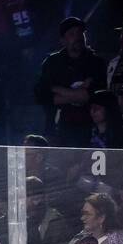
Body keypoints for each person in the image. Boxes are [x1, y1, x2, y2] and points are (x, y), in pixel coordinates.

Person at [34, 16, 107, 149]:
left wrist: (56, 89)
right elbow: (41, 96)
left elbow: (92, 96)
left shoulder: (96, 63)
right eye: (72, 34)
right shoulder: (52, 63)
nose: (78, 37)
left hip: (89, 130)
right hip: (57, 130)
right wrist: (77, 95)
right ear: (62, 40)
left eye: (80, 33)